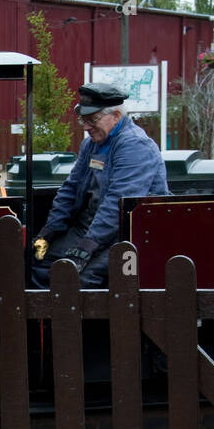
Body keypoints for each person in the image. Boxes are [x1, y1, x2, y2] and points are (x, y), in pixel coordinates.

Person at [31, 83, 169, 288]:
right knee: (40, 262)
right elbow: (70, 189)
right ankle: (49, 319)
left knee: (83, 280)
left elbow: (118, 203)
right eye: (83, 120)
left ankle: (77, 320)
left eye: (91, 120)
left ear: (115, 115)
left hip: (126, 231)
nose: (86, 127)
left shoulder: (134, 145)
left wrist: (88, 247)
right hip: (90, 225)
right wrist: (48, 231)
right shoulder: (90, 144)